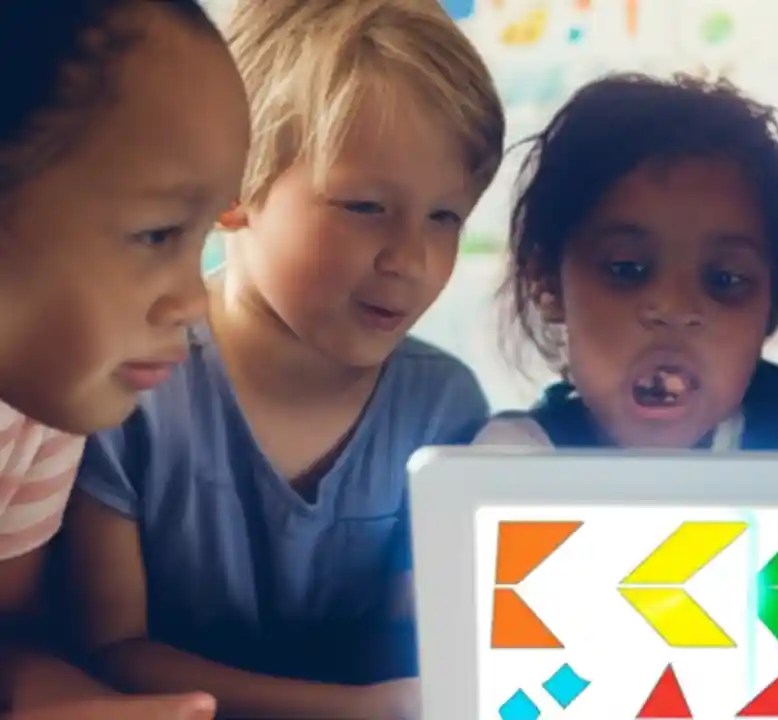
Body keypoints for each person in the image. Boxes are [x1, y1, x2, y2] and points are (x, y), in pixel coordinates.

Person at [66, 1, 504, 717]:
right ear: (235, 186)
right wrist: (357, 710)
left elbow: (418, 639)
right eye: (364, 206)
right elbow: (113, 652)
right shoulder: (129, 390)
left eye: (445, 217)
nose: (410, 259)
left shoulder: (446, 406)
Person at [0, 0, 249, 716]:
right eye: (156, 234)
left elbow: (7, 639)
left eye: (201, 237)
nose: (194, 303)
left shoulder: (39, 410)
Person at [472, 74, 778, 452]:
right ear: (547, 283)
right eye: (627, 269)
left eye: (725, 278)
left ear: (773, 304)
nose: (674, 308)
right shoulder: (507, 471)